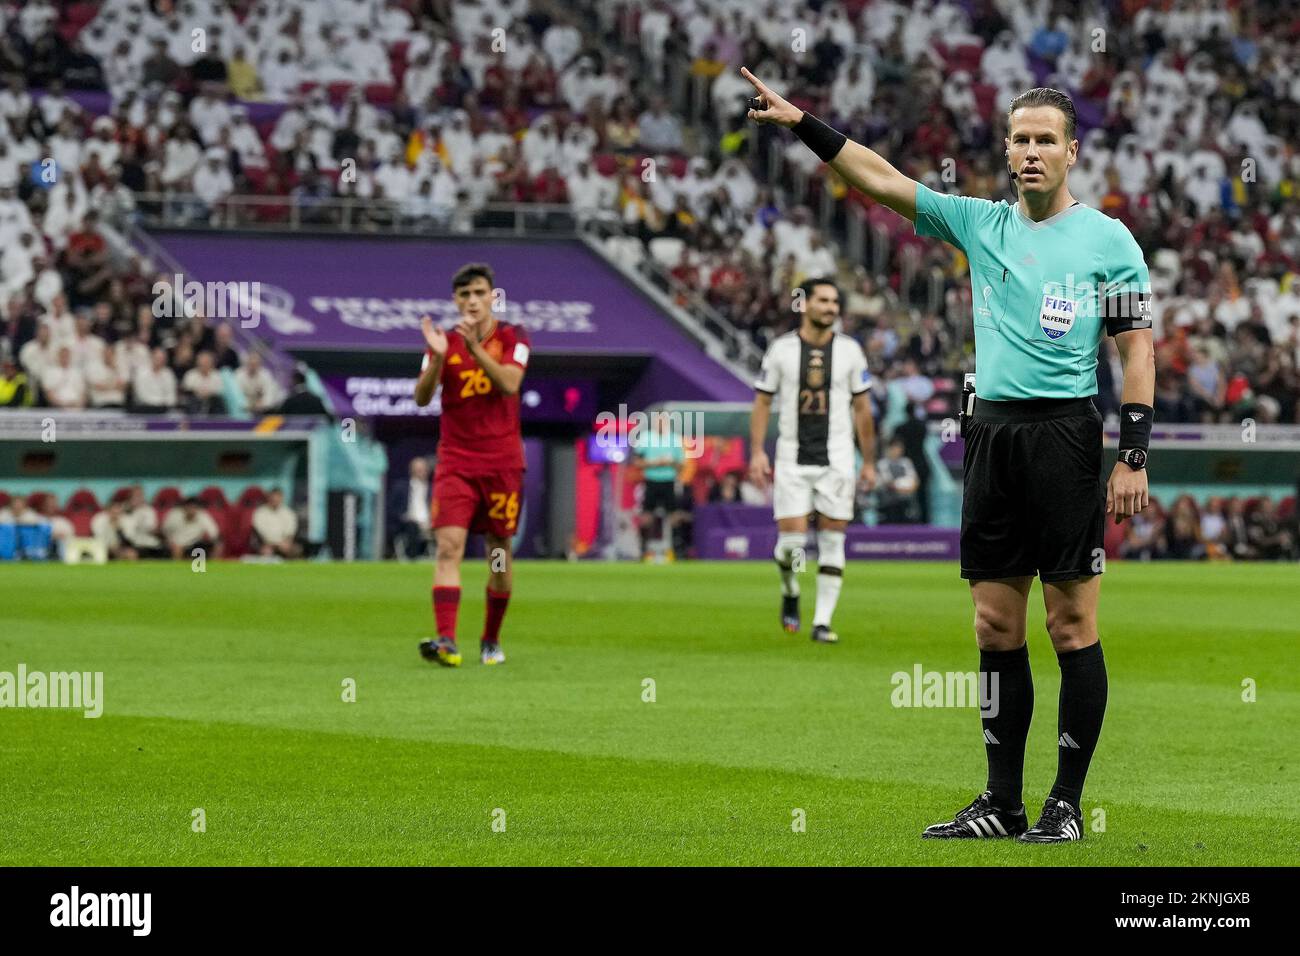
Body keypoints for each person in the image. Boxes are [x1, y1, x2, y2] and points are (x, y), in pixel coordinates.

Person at [744, 71, 1154, 842]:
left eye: (1045, 141)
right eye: (1020, 140)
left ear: (1072, 152)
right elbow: (881, 179)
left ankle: (1065, 803)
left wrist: (1132, 452)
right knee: (994, 625)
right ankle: (1003, 803)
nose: (1031, 153)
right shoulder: (978, 222)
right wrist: (803, 121)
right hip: (991, 437)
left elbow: (1138, 350)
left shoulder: (1110, 241)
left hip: (1066, 437)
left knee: (1070, 625)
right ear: (1007, 149)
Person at [412, 262, 530, 667]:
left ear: (492, 296)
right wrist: (441, 360)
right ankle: (446, 640)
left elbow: (510, 383)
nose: (473, 301)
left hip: (502, 464)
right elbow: (422, 397)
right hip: (456, 463)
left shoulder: (514, 337)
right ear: (456, 300)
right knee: (449, 546)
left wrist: (476, 349)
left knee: (498, 551)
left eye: (480, 293)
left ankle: (491, 639)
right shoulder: (441, 342)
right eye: (465, 295)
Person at [748, 277, 877, 644]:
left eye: (835, 302)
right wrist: (757, 452)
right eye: (822, 301)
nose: (830, 308)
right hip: (791, 456)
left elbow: (863, 409)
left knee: (833, 540)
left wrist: (868, 461)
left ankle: (821, 622)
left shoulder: (851, 351)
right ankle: (790, 590)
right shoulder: (781, 350)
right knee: (791, 544)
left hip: (837, 457)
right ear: (803, 304)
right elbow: (762, 402)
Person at [631, 412, 685, 560]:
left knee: (674, 515)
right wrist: (655, 463)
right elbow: (637, 462)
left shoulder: (674, 439)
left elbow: (681, 464)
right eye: (658, 421)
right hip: (651, 481)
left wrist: (670, 462)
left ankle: (678, 549)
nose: (660, 423)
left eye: (663, 421)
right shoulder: (646, 438)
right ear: (654, 422)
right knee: (647, 516)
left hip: (668, 481)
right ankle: (643, 550)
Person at [388, 456, 433, 560]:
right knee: (413, 525)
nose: (420, 472)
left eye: (422, 469)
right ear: (411, 471)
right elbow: (392, 509)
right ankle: (413, 558)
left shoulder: (433, 489)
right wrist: (405, 517)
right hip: (407, 522)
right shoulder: (401, 487)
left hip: (429, 523)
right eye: (417, 469)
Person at [875, 436, 920, 523]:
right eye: (895, 448)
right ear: (889, 449)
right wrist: (901, 488)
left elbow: (915, 480)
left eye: (899, 448)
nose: (897, 450)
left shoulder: (906, 462)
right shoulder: (882, 463)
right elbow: (888, 482)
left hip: (906, 501)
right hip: (889, 503)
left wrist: (910, 488)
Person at [252, 488, 301, 558]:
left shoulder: (288, 512)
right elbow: (261, 533)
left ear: (281, 498)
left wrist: (286, 542)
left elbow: (290, 532)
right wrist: (275, 544)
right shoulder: (260, 513)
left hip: (285, 544)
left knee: (296, 550)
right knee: (266, 552)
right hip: (266, 544)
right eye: (273, 498)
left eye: (278, 498)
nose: (275, 500)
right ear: (269, 498)